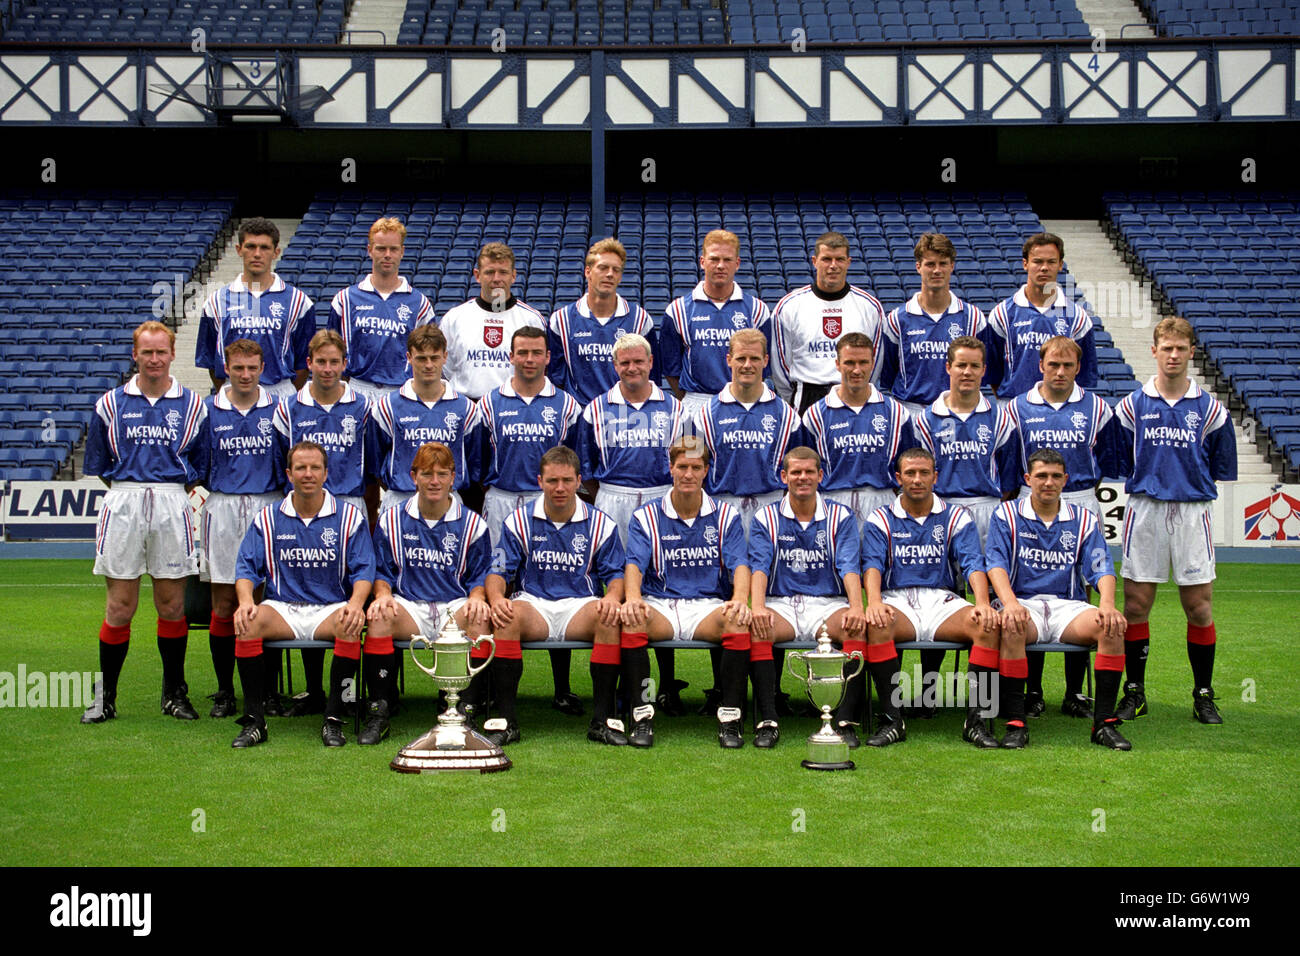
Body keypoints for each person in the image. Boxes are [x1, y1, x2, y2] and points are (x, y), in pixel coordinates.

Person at [1112, 317, 1237, 724]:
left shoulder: (1212, 410)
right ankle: (1135, 692)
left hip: (1192, 510)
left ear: (1191, 353)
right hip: (1145, 508)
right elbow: (1121, 461)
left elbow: (1218, 467)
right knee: (1136, 604)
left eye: (1180, 348)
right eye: (1166, 348)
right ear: (1154, 351)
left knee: (1198, 606)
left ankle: (1203, 694)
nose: (1173, 355)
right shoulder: (1131, 406)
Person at [81, 320, 207, 725]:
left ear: (172, 354)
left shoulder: (193, 405)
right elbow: (100, 464)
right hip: (124, 501)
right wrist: (133, 490)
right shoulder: (110, 404)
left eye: (161, 352)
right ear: (135, 355)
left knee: (172, 605)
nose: (154, 359)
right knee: (120, 606)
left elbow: (200, 465)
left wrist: (164, 491)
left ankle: (174, 694)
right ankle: (105, 697)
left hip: (172, 501)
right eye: (147, 352)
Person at [228, 441, 375, 748]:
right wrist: (245, 602)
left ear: (326, 473)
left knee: (349, 624)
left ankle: (333, 719)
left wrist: (356, 604)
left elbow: (364, 570)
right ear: (289, 474)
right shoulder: (268, 518)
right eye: (301, 468)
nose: (308, 474)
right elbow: (245, 567)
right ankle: (254, 721)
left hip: (330, 607)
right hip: (283, 607)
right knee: (247, 623)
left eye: (315, 468)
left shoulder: (349, 517)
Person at [1006, 334, 1122, 718]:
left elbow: (1108, 460)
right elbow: (1010, 462)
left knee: (1080, 596)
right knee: (1030, 587)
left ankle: (1076, 692)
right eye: (1053, 364)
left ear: (1078, 368)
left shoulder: (1097, 408)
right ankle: (1033, 691)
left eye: (1067, 365)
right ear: (1040, 365)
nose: (1059, 371)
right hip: (1031, 498)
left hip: (1080, 499)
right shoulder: (1018, 408)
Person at [854, 447, 1002, 749]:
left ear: (935, 476)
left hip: (941, 600)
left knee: (986, 625)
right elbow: (872, 565)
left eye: (924, 473)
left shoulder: (956, 515)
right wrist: (874, 602)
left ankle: (976, 721)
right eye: (910, 473)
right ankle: (893, 720)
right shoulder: (880, 517)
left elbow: (973, 563)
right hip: (897, 599)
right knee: (878, 624)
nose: (917, 479)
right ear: (898, 478)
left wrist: (983, 604)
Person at [986, 449, 1133, 750]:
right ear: (1028, 479)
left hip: (1068, 606)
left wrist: (1107, 604)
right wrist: (1010, 603)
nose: (1048, 482)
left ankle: (1103, 724)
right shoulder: (1006, 514)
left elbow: (1101, 566)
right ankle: (1016, 723)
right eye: (1041, 476)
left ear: (1065, 480)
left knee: (1111, 627)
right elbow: (995, 563)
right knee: (1011, 625)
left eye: (1055, 476)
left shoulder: (1084, 519)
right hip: (1023, 603)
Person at [485, 446, 628, 745]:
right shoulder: (518, 520)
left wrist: (613, 598)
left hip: (580, 604)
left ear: (579, 481)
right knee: (506, 618)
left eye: (566, 480)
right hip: (534, 603)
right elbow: (498, 570)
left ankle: (602, 721)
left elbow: (616, 574)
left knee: (609, 618)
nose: (559, 488)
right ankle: (506, 721)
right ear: (540, 481)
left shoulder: (601, 523)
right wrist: (497, 598)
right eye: (552, 481)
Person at [476, 325, 585, 715]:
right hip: (503, 499)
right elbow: (479, 460)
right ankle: (491, 686)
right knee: (499, 587)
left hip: (550, 501)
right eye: (521, 352)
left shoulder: (567, 405)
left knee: (556, 584)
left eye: (536, 352)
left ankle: (562, 687)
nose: (528, 359)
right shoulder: (488, 403)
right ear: (510, 355)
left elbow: (572, 461)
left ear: (547, 357)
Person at [620, 437, 753, 748]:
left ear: (706, 470)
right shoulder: (646, 516)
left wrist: (740, 600)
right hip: (661, 604)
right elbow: (634, 564)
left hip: (707, 606)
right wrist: (634, 598)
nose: (688, 474)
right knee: (632, 619)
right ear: (671, 468)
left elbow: (740, 564)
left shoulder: (726, 515)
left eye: (696, 467)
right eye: (682, 467)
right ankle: (642, 715)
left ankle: (730, 718)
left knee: (737, 620)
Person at [271, 329, 376, 714]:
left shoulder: (363, 407)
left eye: (335, 362)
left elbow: (374, 465)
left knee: (353, 602)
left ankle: (350, 694)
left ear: (345, 364)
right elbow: (281, 462)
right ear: (309, 363)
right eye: (321, 361)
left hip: (349, 507)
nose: (328, 368)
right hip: (305, 513)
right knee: (309, 595)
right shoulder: (289, 408)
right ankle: (315, 691)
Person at [366, 442, 493, 746]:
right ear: (414, 477)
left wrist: (477, 597)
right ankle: (380, 709)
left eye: (442, 474)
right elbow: (381, 571)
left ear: (453, 478)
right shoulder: (391, 520)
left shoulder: (473, 524)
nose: (434, 481)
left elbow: (479, 575)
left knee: (479, 617)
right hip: (411, 605)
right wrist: (382, 594)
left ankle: (467, 708)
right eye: (427, 474)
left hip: (453, 607)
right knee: (380, 616)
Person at [748, 447, 865, 749]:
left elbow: (849, 565)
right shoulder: (766, 516)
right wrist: (757, 607)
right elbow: (759, 566)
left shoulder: (841, 516)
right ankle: (768, 720)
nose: (803, 477)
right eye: (796, 472)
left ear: (820, 475)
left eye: (809, 471)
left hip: (828, 603)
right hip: (782, 603)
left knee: (855, 627)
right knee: (757, 628)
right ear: (784, 476)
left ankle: (845, 721)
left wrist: (856, 607)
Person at [194, 338, 285, 720]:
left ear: (262, 369)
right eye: (238, 368)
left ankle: (266, 691)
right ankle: (225, 690)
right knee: (224, 603)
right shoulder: (207, 410)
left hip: (267, 505)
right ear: (225, 369)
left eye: (252, 368)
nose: (245, 375)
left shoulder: (278, 409)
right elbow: (197, 463)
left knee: (269, 602)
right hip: (224, 506)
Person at [911, 336, 1019, 546]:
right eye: (961, 365)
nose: (967, 372)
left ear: (984, 370)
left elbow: (1008, 478)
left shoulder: (1001, 418)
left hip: (987, 509)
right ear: (948, 367)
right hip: (940, 509)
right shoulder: (926, 420)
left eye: (974, 366)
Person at [800, 332, 914, 524]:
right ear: (837, 364)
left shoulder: (897, 413)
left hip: (882, 500)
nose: (856, 370)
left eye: (863, 362)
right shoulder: (815, 415)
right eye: (849, 363)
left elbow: (909, 466)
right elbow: (804, 467)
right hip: (832, 501)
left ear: (872, 363)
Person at [195, 217, 314, 398]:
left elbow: (303, 362)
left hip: (280, 392)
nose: (257, 254)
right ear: (239, 249)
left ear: (276, 252)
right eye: (251, 246)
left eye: (264, 247)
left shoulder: (299, 302)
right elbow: (212, 361)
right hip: (233, 392)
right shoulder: (216, 301)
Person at [768, 231, 885, 414]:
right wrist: (795, 396)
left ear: (848, 262)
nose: (833, 266)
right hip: (807, 397)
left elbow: (875, 361)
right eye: (826, 259)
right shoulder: (789, 306)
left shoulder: (869, 307)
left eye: (839, 259)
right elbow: (780, 366)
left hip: (855, 395)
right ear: (814, 261)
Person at [661, 230, 771, 421]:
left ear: (737, 263)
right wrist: (689, 398)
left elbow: (764, 366)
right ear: (702, 262)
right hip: (696, 401)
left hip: (744, 401)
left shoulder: (757, 310)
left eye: (727, 260)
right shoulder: (677, 310)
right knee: (691, 443)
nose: (720, 265)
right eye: (714, 259)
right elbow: (671, 368)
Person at [877, 232, 988, 419]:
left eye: (943, 263)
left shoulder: (973, 318)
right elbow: (888, 375)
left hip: (957, 412)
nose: (937, 270)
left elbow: (982, 372)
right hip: (910, 411)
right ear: (918, 267)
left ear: (952, 266)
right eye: (930, 264)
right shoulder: (896, 319)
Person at [371, 325, 479, 514]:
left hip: (449, 500)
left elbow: (474, 461)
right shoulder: (386, 407)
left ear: (445, 357)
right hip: (400, 499)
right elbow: (375, 462)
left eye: (434, 358)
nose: (429, 365)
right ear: (409, 357)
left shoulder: (467, 409)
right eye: (421, 358)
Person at [328, 216, 435, 402]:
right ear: (370, 250)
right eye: (381, 248)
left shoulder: (420, 304)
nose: (387, 255)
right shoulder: (345, 300)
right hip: (357, 388)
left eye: (393, 249)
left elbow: (430, 355)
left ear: (402, 252)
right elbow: (331, 351)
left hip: (401, 392)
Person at [986, 232, 1097, 404]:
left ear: (1060, 265)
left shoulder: (1079, 318)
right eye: (1038, 261)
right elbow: (993, 371)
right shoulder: (1002, 314)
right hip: (1012, 407)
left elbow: (1084, 376)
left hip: (1061, 409)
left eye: (1051, 262)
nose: (1044, 268)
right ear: (1025, 264)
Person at [547, 237, 657, 406]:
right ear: (588, 272)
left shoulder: (640, 319)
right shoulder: (561, 320)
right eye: (603, 268)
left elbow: (650, 376)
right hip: (579, 413)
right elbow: (555, 379)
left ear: (620, 277)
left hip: (623, 413)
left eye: (616, 270)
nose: (610, 274)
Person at [438, 241, 547, 402]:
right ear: (477, 275)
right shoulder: (454, 318)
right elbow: (444, 368)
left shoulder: (531, 319)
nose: (496, 279)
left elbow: (540, 369)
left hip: (512, 406)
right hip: (466, 407)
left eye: (503, 272)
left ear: (513, 275)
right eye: (489, 272)